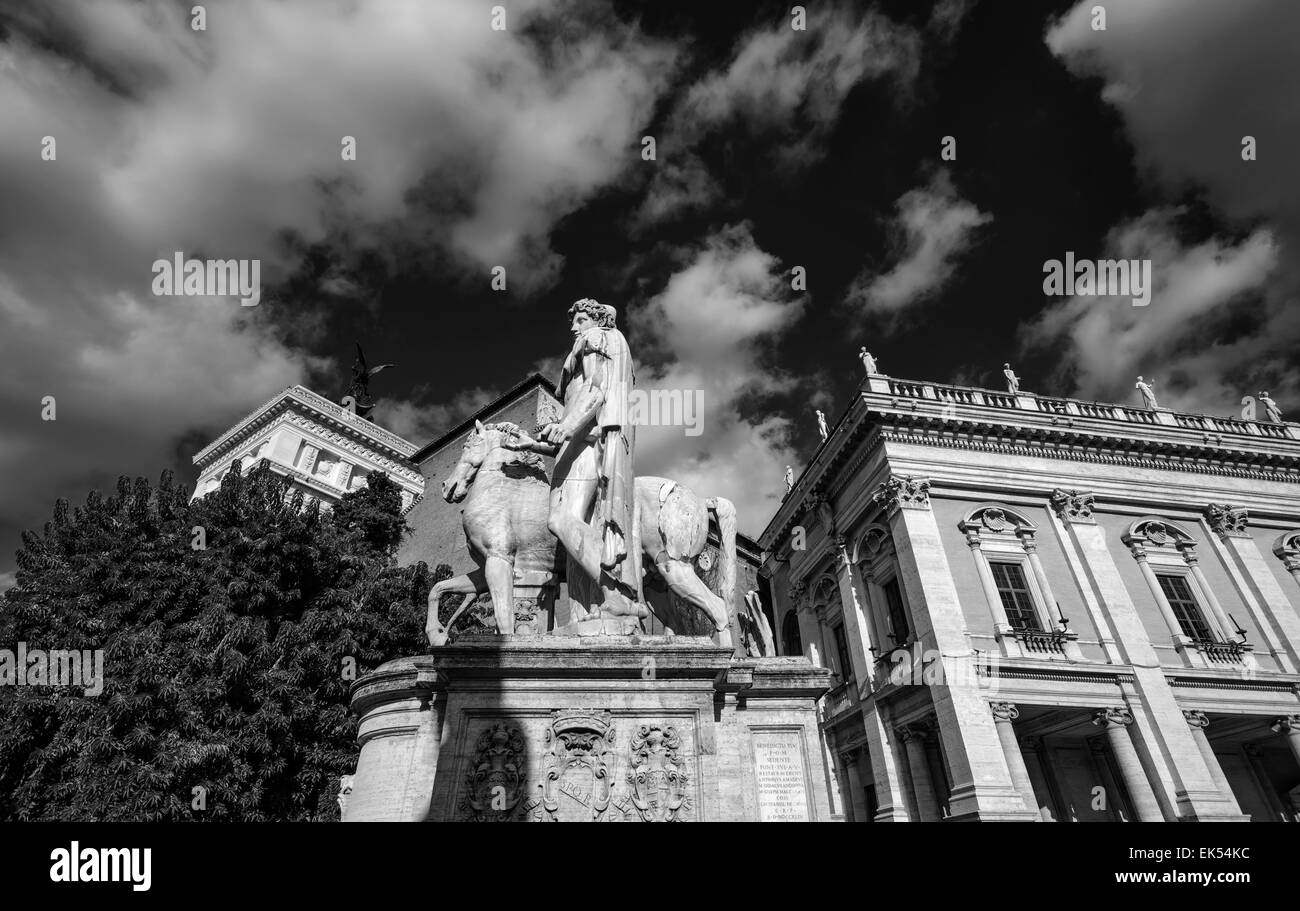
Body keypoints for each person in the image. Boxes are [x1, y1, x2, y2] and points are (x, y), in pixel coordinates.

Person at [505, 298, 644, 621]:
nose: (573, 327)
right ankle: (598, 606)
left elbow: (597, 390)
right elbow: (568, 432)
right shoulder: (599, 343)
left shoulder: (594, 338)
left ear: (595, 320)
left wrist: (566, 426)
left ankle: (617, 594)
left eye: (580, 319)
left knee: (560, 519)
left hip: (588, 441)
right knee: (579, 527)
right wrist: (533, 442)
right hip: (584, 441)